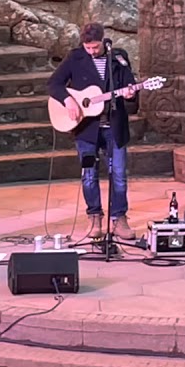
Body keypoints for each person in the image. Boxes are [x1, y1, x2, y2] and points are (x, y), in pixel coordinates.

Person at [48, 23, 138, 241]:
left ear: (103, 41)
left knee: (118, 175)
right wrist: (68, 100)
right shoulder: (75, 58)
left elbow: (130, 85)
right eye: (88, 47)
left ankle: (119, 218)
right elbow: (54, 84)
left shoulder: (118, 58)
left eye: (95, 47)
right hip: (86, 130)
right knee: (89, 175)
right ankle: (94, 217)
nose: (92, 51)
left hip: (114, 127)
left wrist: (130, 94)